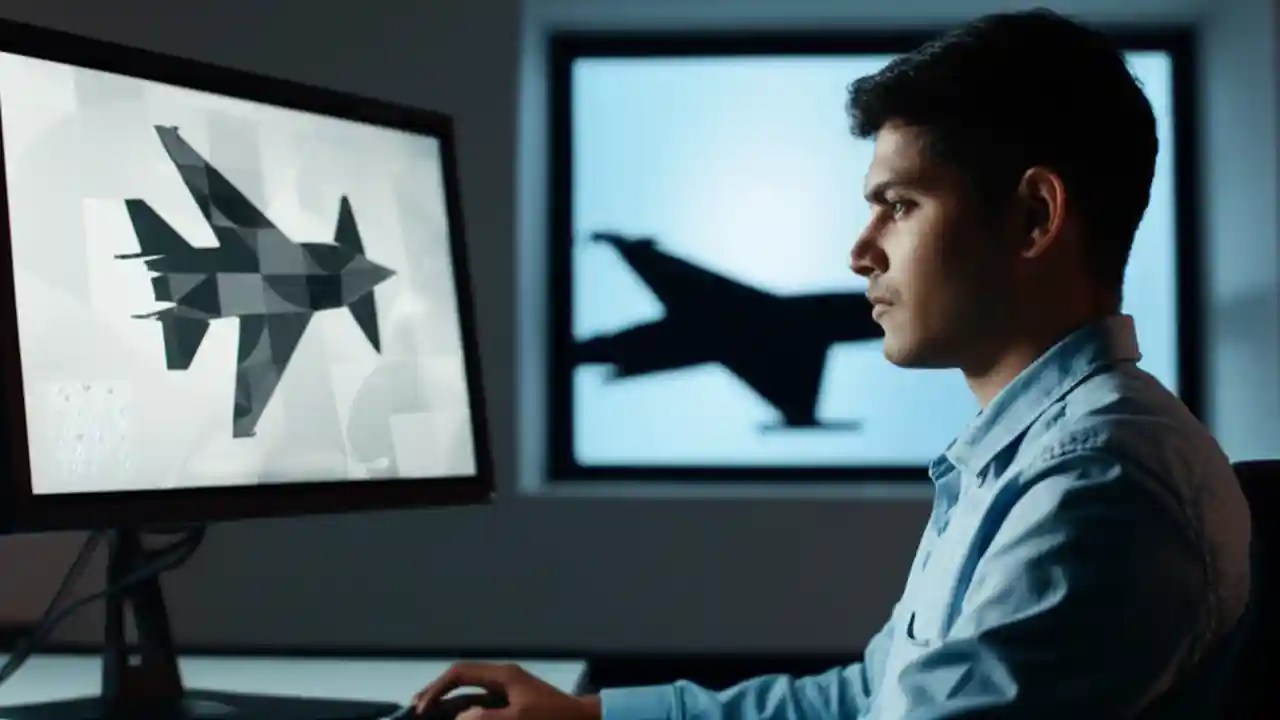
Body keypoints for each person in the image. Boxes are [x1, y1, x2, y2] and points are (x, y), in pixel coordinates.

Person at [410, 7, 1253, 719]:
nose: (860, 252)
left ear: (1034, 216)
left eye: (900, 205)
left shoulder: (1096, 480)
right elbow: (866, 696)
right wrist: (592, 715)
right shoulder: (1037, 451)